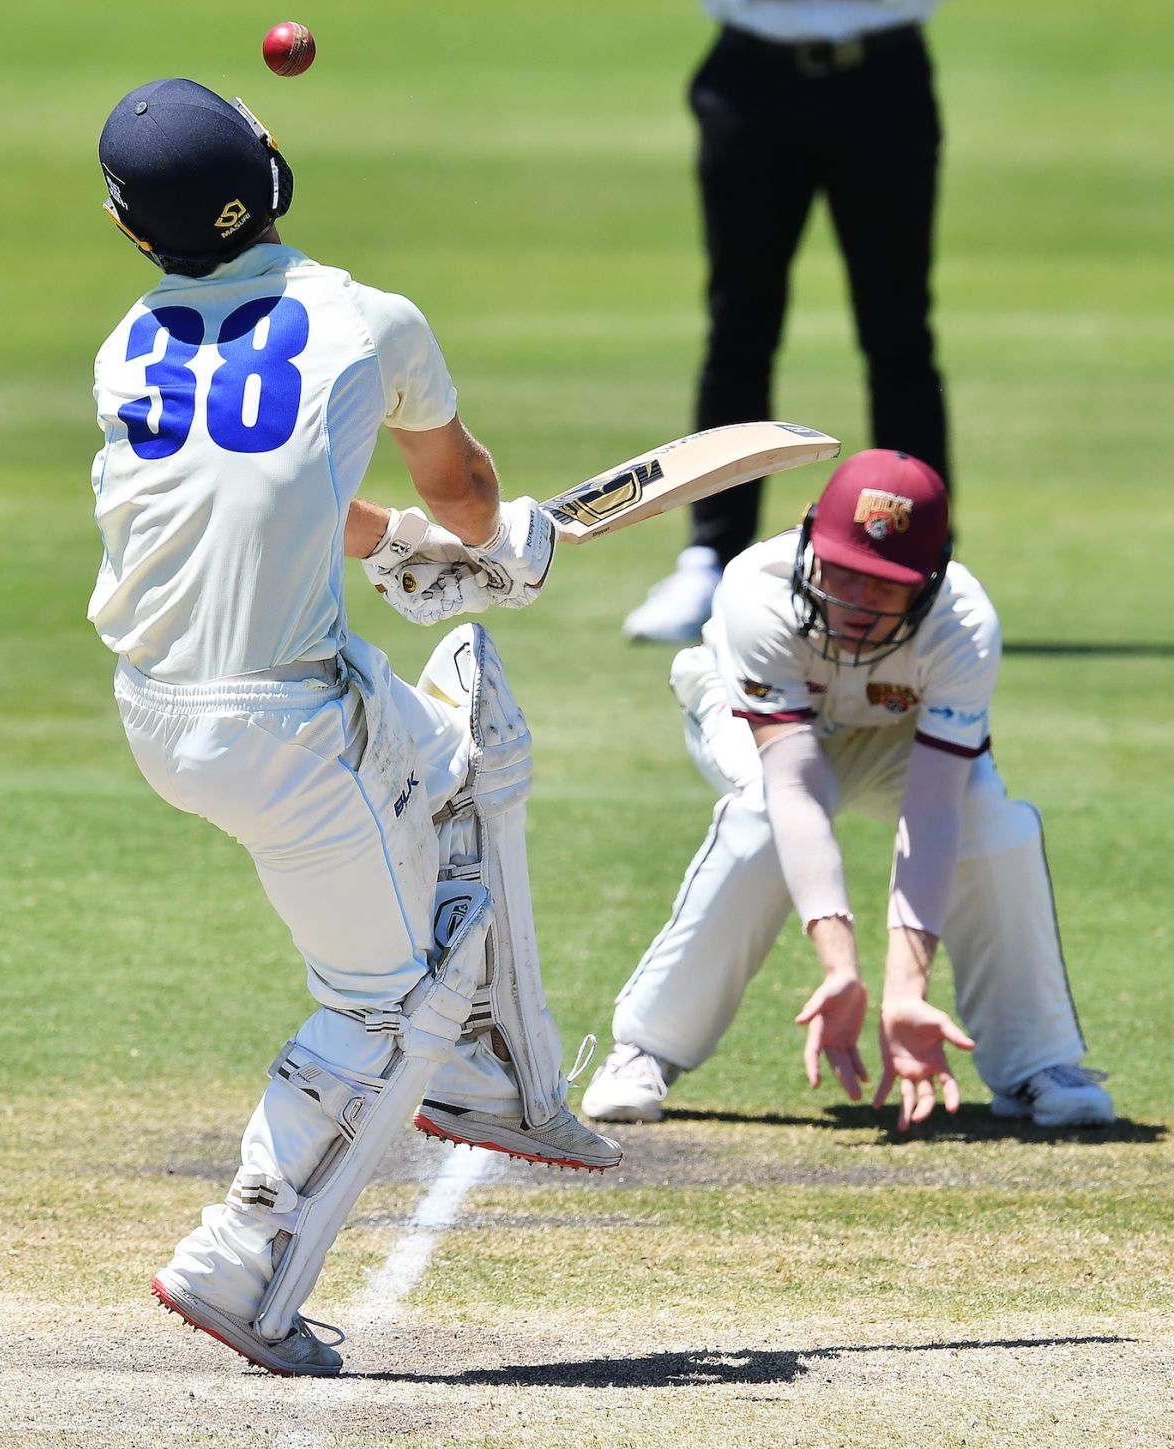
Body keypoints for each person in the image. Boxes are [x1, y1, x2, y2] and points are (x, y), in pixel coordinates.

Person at [89, 78, 621, 1378]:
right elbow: (473, 489)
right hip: (280, 723)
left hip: (160, 709)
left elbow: (270, 493)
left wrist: (407, 552)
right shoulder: (368, 319)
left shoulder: (126, 343)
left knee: (467, 751)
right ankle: (240, 1259)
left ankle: (496, 1086)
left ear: (133, 233)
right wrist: (497, 548)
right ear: (275, 171)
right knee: (386, 1006)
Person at [584, 450, 1114, 1131]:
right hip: (754, 719)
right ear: (809, 540)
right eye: (845, 571)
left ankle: (1036, 1063)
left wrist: (904, 991)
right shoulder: (757, 592)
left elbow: (932, 806)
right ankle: (646, 1048)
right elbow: (796, 786)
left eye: (885, 584)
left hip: (898, 733)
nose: (857, 603)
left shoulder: (964, 625)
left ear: (930, 579)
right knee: (764, 816)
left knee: (991, 819)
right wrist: (840, 967)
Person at [623, 1, 952, 644]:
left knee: (899, 335)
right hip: (751, 72)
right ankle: (711, 559)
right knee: (738, 329)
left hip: (883, 69)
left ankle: (921, 565)